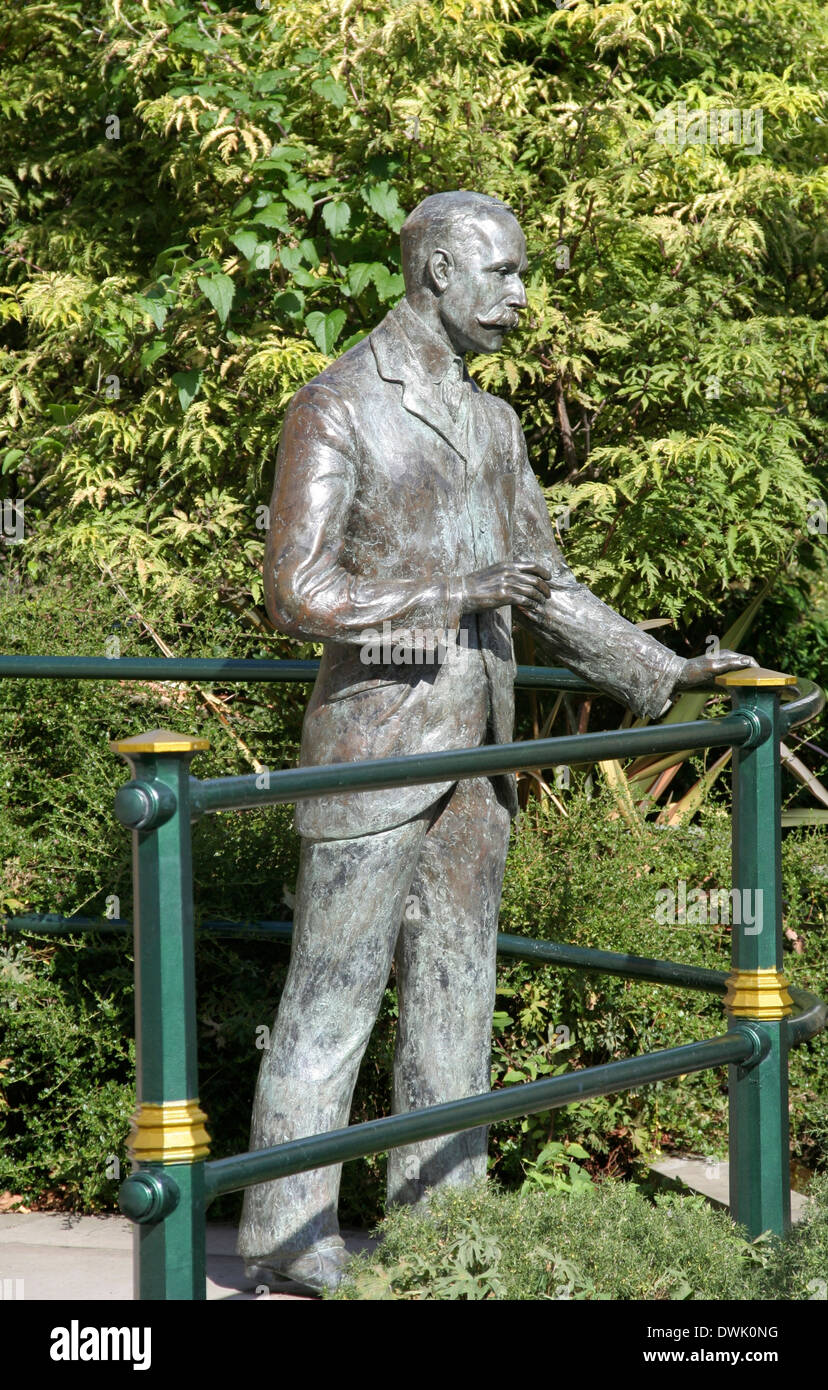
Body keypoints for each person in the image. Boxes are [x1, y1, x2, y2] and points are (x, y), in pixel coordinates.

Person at [237, 190, 754, 1293]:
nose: (522, 296)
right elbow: (295, 591)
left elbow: (545, 587)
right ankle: (289, 1236)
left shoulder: (493, 421)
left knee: (458, 986)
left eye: (524, 273)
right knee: (333, 992)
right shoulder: (334, 407)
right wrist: (454, 587)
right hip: (378, 744)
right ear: (435, 275)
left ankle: (443, 1227)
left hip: (482, 748)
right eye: (504, 273)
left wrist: (663, 669)